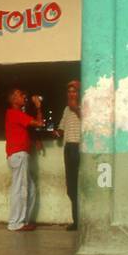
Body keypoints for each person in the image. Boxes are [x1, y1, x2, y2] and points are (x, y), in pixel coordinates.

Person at [5, 88, 43, 231]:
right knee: (20, 189)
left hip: (20, 154)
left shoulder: (18, 114)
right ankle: (16, 223)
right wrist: (39, 107)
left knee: (30, 189)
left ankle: (24, 220)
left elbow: (27, 130)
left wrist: (34, 140)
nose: (24, 96)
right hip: (18, 155)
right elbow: (39, 123)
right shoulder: (14, 113)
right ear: (13, 99)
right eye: (21, 95)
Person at [56, 79, 81, 231]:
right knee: (71, 187)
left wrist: (76, 108)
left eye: (74, 91)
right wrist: (56, 133)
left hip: (80, 148)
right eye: (69, 91)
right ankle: (76, 221)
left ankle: (85, 221)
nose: (71, 94)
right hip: (68, 148)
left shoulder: (85, 106)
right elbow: (61, 129)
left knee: (81, 186)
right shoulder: (66, 109)